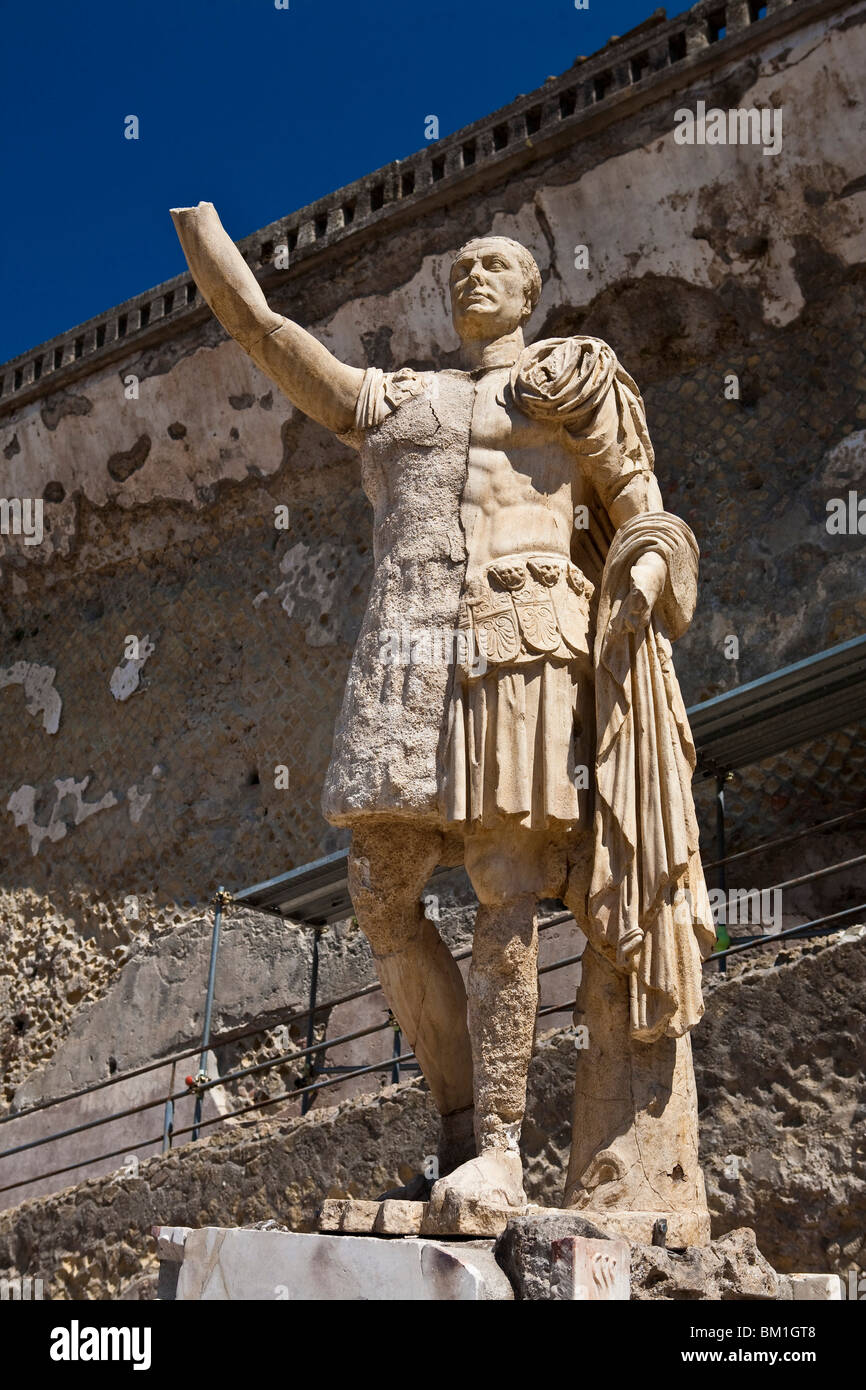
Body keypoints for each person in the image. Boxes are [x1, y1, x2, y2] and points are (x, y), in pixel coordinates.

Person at [172, 205, 715, 1237]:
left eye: (497, 264)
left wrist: (645, 568)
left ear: (531, 292)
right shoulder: (400, 398)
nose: (474, 275)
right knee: (379, 894)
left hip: (526, 636)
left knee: (505, 885)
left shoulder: (571, 377)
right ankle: (461, 1129)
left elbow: (641, 502)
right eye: (460, 263)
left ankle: (502, 1148)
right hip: (407, 657)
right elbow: (286, 351)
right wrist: (217, 271)